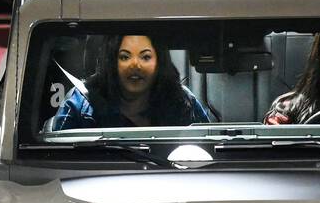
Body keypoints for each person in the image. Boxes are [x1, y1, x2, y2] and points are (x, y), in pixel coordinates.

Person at [45, 33, 215, 131]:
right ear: (112, 62)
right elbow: (56, 163)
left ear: (159, 62)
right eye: (125, 57)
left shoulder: (182, 100)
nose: (135, 65)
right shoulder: (79, 103)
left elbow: (208, 150)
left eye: (145, 57)